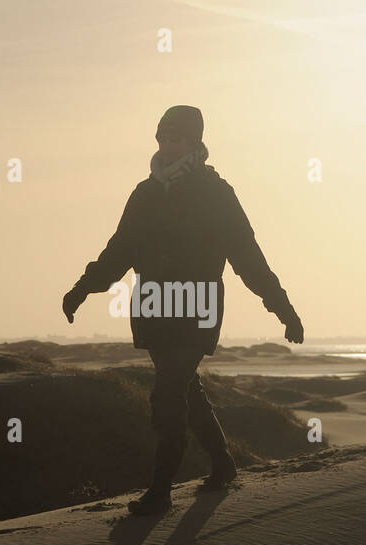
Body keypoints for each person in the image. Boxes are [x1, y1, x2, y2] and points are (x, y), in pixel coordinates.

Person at [62, 105, 305, 515]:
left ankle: (159, 491)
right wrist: (83, 288)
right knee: (184, 387)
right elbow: (119, 249)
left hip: (198, 306)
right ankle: (223, 463)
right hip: (155, 306)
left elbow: (247, 256)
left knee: (168, 394)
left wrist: (282, 308)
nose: (167, 146)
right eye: (162, 138)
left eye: (176, 138)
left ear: (194, 142)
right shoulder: (144, 193)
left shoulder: (216, 193)